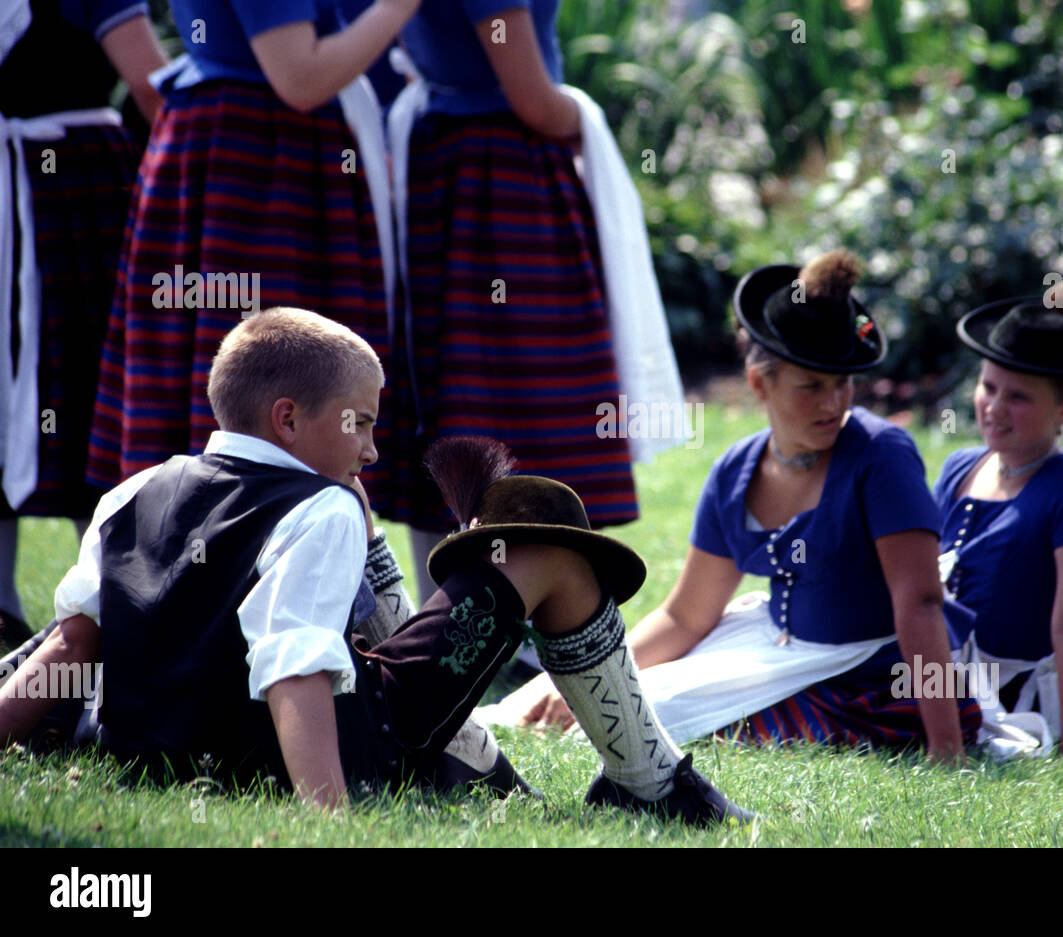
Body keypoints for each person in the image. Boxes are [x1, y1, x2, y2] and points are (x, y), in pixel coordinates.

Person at [0, 308, 750, 824]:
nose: (371, 449)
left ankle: (506, 765)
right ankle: (651, 784)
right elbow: (293, 667)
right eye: (359, 422)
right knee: (551, 551)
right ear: (287, 418)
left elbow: (70, 644)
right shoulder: (316, 508)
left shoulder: (136, 488)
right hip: (322, 750)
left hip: (152, 745)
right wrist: (331, 819)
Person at [502, 250, 979, 763]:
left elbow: (921, 604)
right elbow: (686, 616)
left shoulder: (881, 456)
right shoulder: (736, 471)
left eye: (842, 384)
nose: (833, 403)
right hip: (775, 650)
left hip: (870, 675)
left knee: (659, 714)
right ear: (759, 383)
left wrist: (945, 745)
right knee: (597, 694)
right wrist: (598, 677)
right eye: (811, 386)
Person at [84, 0, 418, 520]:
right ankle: (208, 570)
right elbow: (300, 76)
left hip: (236, 149)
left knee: (281, 379)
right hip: (259, 163)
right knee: (274, 381)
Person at [385, 0, 647, 601]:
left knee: (460, 386)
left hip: (444, 171)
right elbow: (534, 99)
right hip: (505, 174)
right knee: (542, 393)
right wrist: (583, 117)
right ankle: (548, 601)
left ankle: (456, 600)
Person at [0, 0, 167, 650]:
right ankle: (72, 611)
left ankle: (106, 605)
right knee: (72, 383)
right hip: (59, 187)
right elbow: (156, 90)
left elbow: (150, 89)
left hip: (72, 190)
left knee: (78, 386)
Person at [933, 277, 1063, 754]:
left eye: (1018, 397)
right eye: (988, 387)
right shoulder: (960, 467)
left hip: (1021, 688)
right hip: (946, 672)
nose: (994, 408)